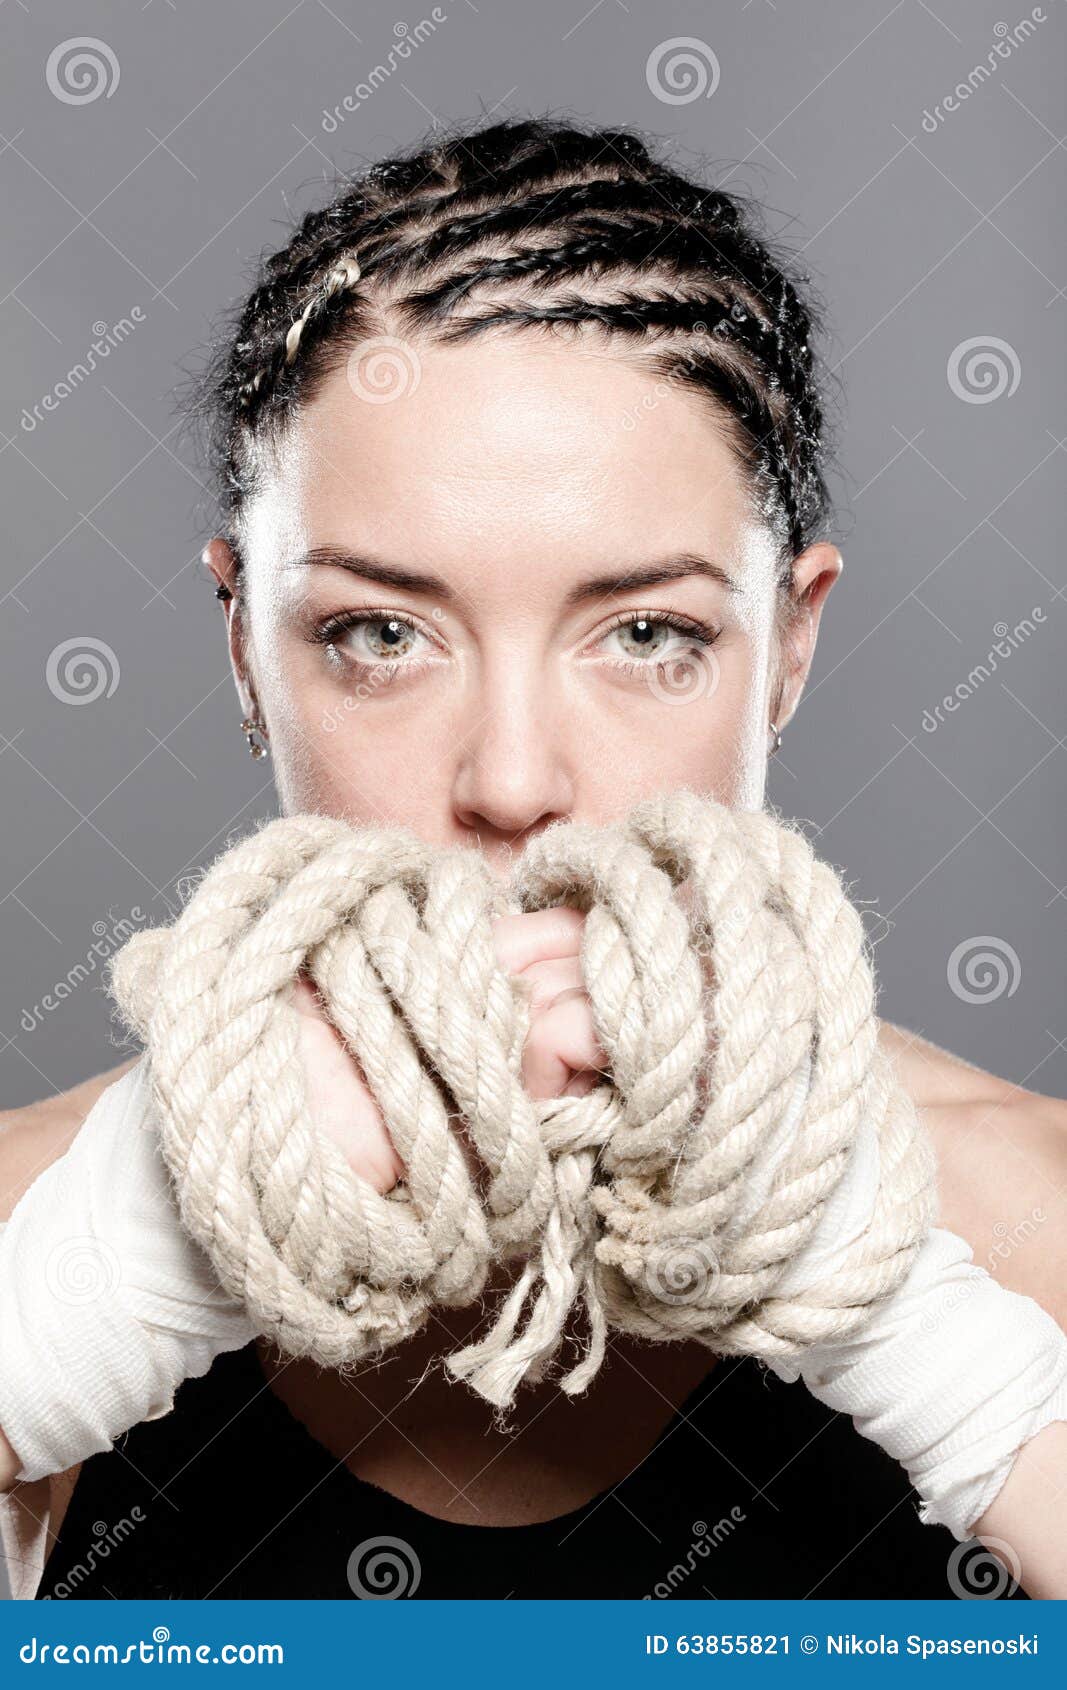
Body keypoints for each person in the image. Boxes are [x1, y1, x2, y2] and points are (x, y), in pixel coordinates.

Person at [1, 116, 1064, 1602]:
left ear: (787, 652)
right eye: (380, 634)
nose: (512, 784)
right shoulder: (32, 1227)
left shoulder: (1042, 1218)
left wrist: (953, 1365)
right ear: (245, 646)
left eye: (647, 635)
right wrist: (62, 1324)